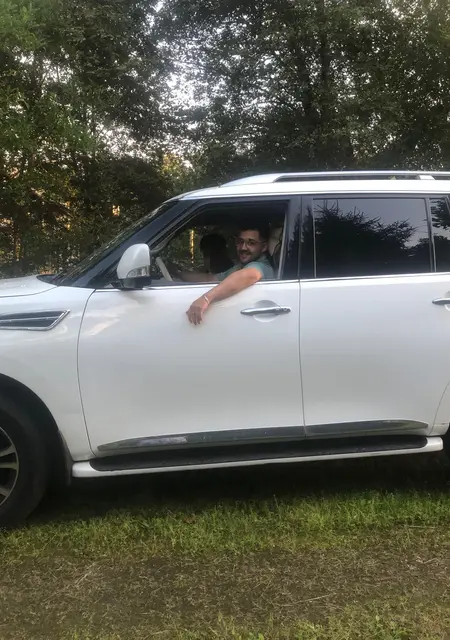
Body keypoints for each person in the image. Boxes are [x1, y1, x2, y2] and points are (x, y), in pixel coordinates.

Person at [175, 225, 274, 325]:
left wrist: (206, 299)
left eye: (251, 243)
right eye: (240, 242)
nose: (243, 247)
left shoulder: (261, 266)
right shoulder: (239, 267)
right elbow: (210, 279)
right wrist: (177, 273)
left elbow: (248, 275)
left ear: (264, 247)